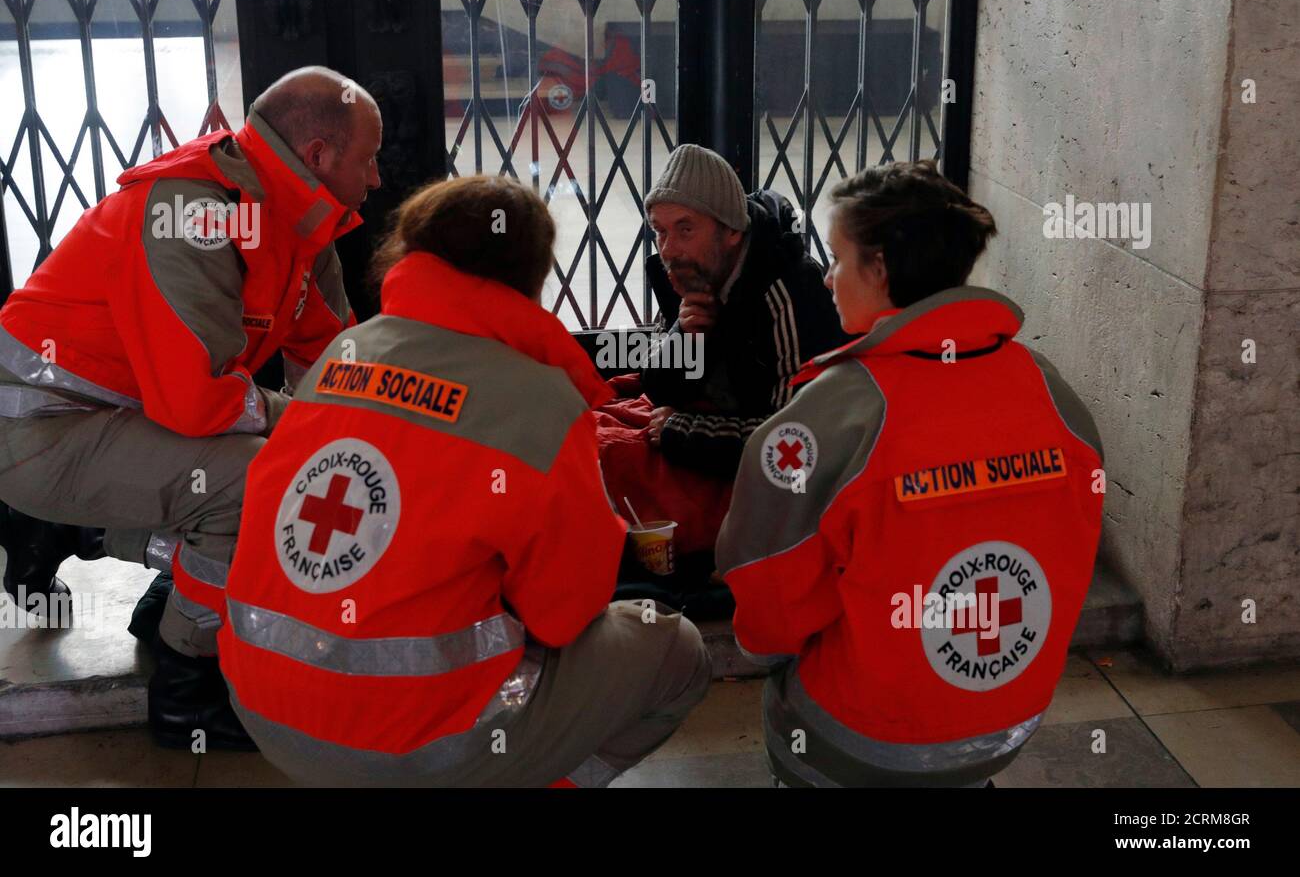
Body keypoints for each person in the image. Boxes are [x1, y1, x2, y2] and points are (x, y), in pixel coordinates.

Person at [218, 175, 712, 786]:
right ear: (532, 277)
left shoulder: (345, 353)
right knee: (675, 650)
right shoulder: (537, 400)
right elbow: (564, 618)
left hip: (262, 709)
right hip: (419, 742)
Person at [0, 65, 381, 749]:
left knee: (284, 467)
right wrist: (303, 427)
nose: (377, 178)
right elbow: (197, 405)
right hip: (36, 428)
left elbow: (333, 370)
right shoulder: (194, 214)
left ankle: (100, 554)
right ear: (319, 155)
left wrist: (379, 437)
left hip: (106, 420)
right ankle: (186, 691)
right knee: (255, 485)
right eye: (369, 158)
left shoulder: (297, 223)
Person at [716, 160, 1105, 787]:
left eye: (837, 258)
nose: (826, 278)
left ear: (879, 269)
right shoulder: (1051, 392)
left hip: (856, 742)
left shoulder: (831, 417)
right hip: (1010, 720)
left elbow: (768, 611)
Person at [597, 144, 848, 566]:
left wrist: (684, 431)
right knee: (579, 435)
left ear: (731, 231)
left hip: (765, 470)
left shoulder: (787, 293)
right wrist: (684, 336)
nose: (668, 248)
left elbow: (796, 441)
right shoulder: (690, 270)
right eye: (659, 231)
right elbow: (658, 386)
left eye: (685, 229)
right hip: (704, 426)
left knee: (609, 460)